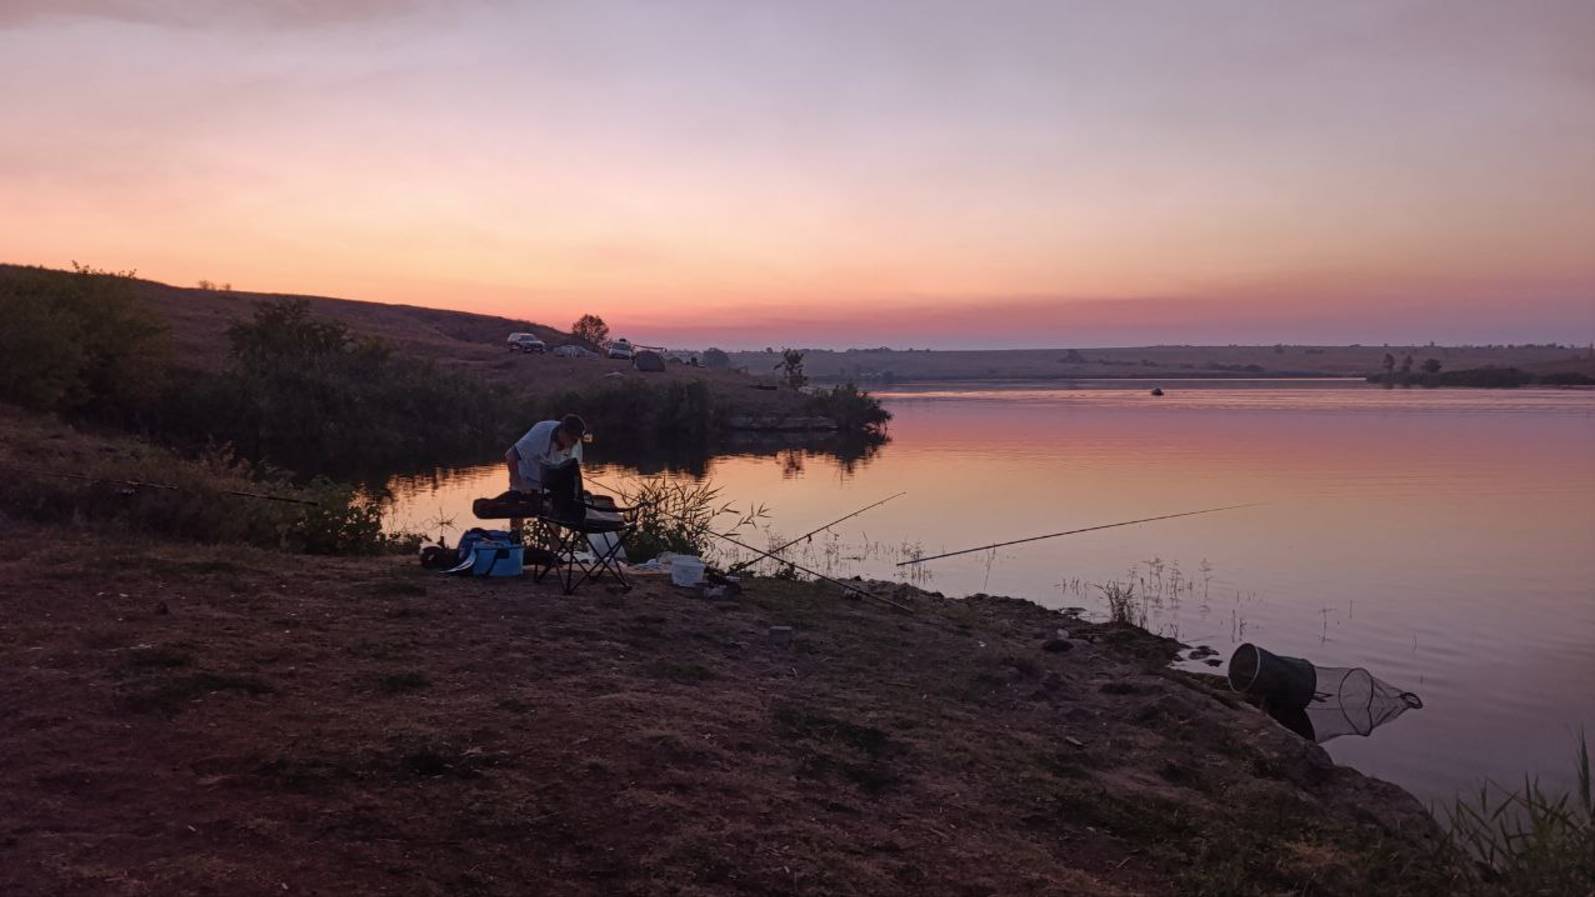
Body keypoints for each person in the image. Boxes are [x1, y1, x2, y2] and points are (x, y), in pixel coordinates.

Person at [505, 414, 586, 495]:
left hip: (551, 484)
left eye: (577, 440)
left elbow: (574, 474)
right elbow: (510, 456)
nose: (575, 443)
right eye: (573, 439)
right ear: (562, 432)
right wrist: (517, 484)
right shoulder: (540, 433)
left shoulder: (577, 444)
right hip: (526, 479)